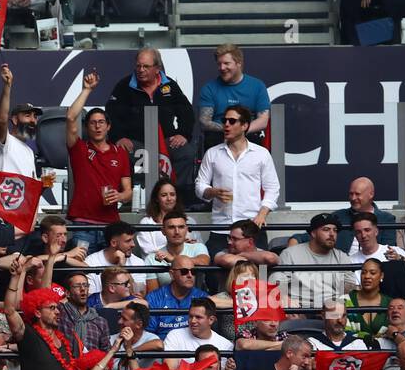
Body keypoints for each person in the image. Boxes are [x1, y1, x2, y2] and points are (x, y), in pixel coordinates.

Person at [105, 48, 197, 207]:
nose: (141, 70)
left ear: (157, 68)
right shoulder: (124, 86)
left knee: (186, 153)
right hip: (135, 142)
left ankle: (176, 197)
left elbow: (187, 112)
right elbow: (111, 115)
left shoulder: (170, 86)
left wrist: (183, 134)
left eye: (146, 66)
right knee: (121, 154)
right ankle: (131, 201)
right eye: (138, 66)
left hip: (166, 141)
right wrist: (119, 137)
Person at [195, 105, 279, 254]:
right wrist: (212, 191)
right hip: (221, 228)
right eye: (224, 120)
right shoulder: (212, 153)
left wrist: (262, 214)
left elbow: (272, 188)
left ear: (244, 125)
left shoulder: (261, 154)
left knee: (258, 274)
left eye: (232, 121)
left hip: (252, 227)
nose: (226, 124)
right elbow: (200, 185)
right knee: (215, 275)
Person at [64, 71, 132, 248]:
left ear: (108, 126)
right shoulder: (79, 148)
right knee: (81, 270)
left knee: (109, 273)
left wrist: (119, 196)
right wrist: (87, 90)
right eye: (93, 122)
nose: (97, 126)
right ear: (86, 127)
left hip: (111, 226)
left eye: (101, 122)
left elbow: (128, 192)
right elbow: (71, 117)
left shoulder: (120, 153)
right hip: (83, 224)